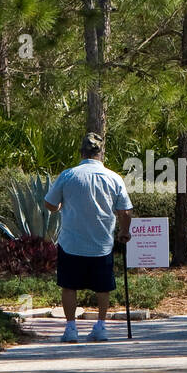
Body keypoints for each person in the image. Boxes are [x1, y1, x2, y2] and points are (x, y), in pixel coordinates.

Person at [44, 132, 132, 343]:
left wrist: (59, 206)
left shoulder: (68, 175)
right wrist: (124, 232)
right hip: (101, 243)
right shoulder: (113, 178)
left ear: (81, 151)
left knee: (69, 286)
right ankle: (101, 327)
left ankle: (71, 329)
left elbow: (50, 203)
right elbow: (125, 211)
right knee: (103, 287)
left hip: (71, 242)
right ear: (101, 152)